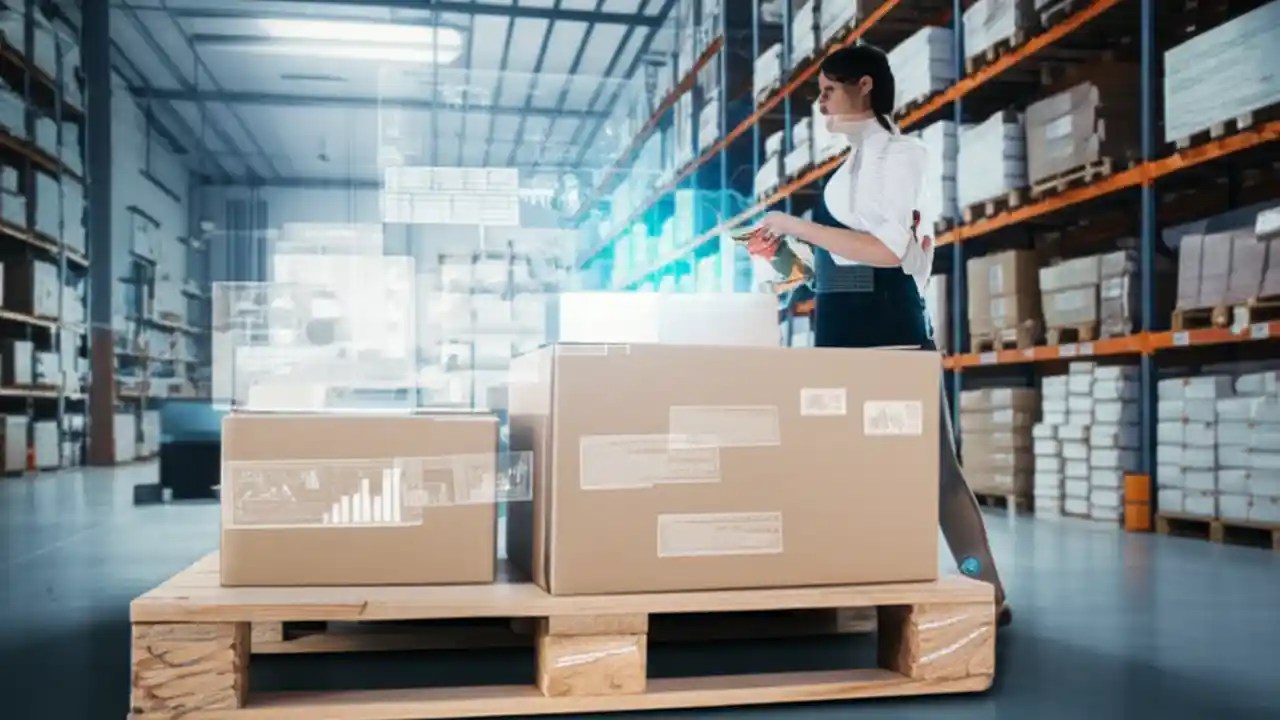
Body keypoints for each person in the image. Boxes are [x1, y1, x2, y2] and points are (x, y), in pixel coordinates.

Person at [745, 44, 1011, 624]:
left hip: (891, 337)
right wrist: (782, 261)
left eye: (827, 91)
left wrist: (796, 225)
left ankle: (985, 590)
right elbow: (842, 267)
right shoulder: (846, 170)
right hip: (838, 338)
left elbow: (888, 254)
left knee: (936, 472)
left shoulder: (901, 155)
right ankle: (852, 592)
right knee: (841, 469)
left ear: (864, 86)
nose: (819, 105)